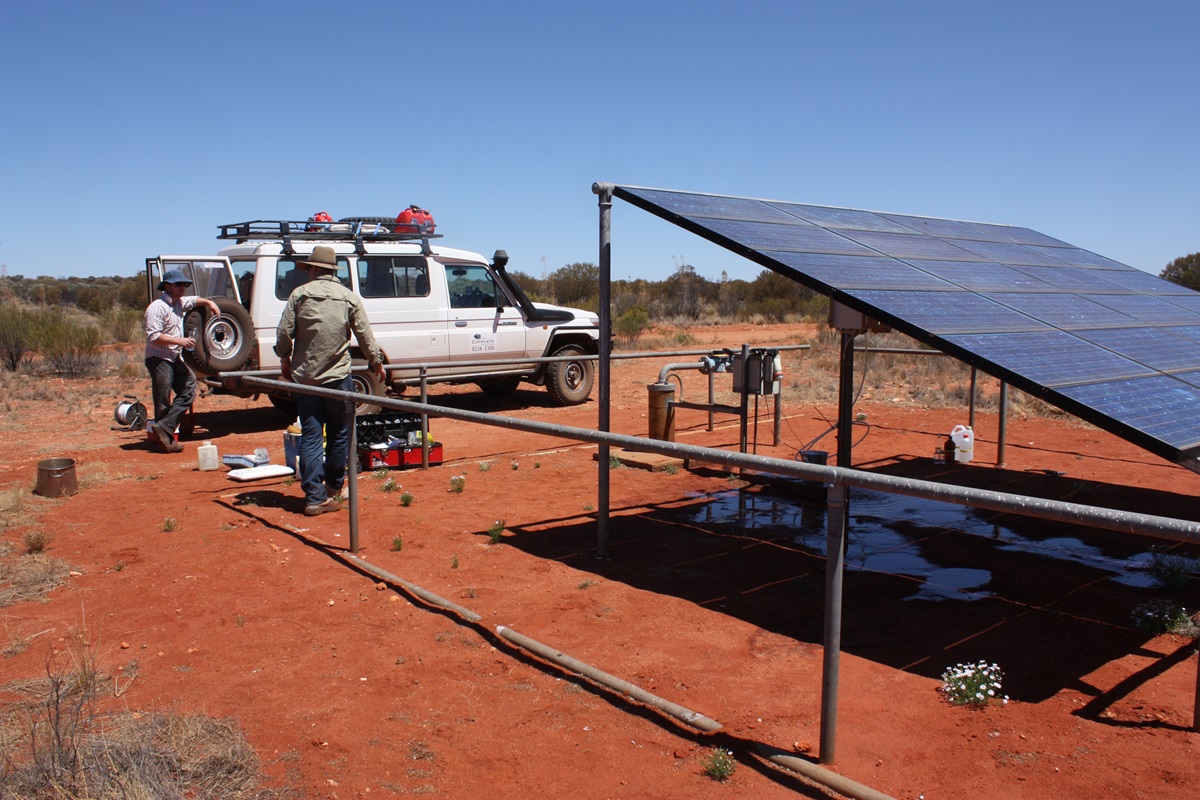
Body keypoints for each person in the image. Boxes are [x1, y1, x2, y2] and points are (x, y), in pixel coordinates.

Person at [275, 245, 385, 516]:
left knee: (312, 435)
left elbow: (284, 333)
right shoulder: (348, 297)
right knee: (339, 433)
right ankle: (334, 487)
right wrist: (376, 363)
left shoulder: (299, 295)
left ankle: (315, 497)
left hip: (306, 378)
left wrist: (285, 359)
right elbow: (365, 336)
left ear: (314, 269)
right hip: (338, 378)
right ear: (332, 271)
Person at [144, 268, 220, 453]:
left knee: (188, 389)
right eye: (178, 284)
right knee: (163, 398)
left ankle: (164, 429)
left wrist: (209, 302)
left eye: (185, 284)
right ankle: (165, 439)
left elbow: (194, 300)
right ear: (167, 286)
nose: (182, 287)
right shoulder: (157, 307)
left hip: (173, 356)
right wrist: (180, 341)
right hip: (159, 357)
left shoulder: (179, 303)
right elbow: (153, 336)